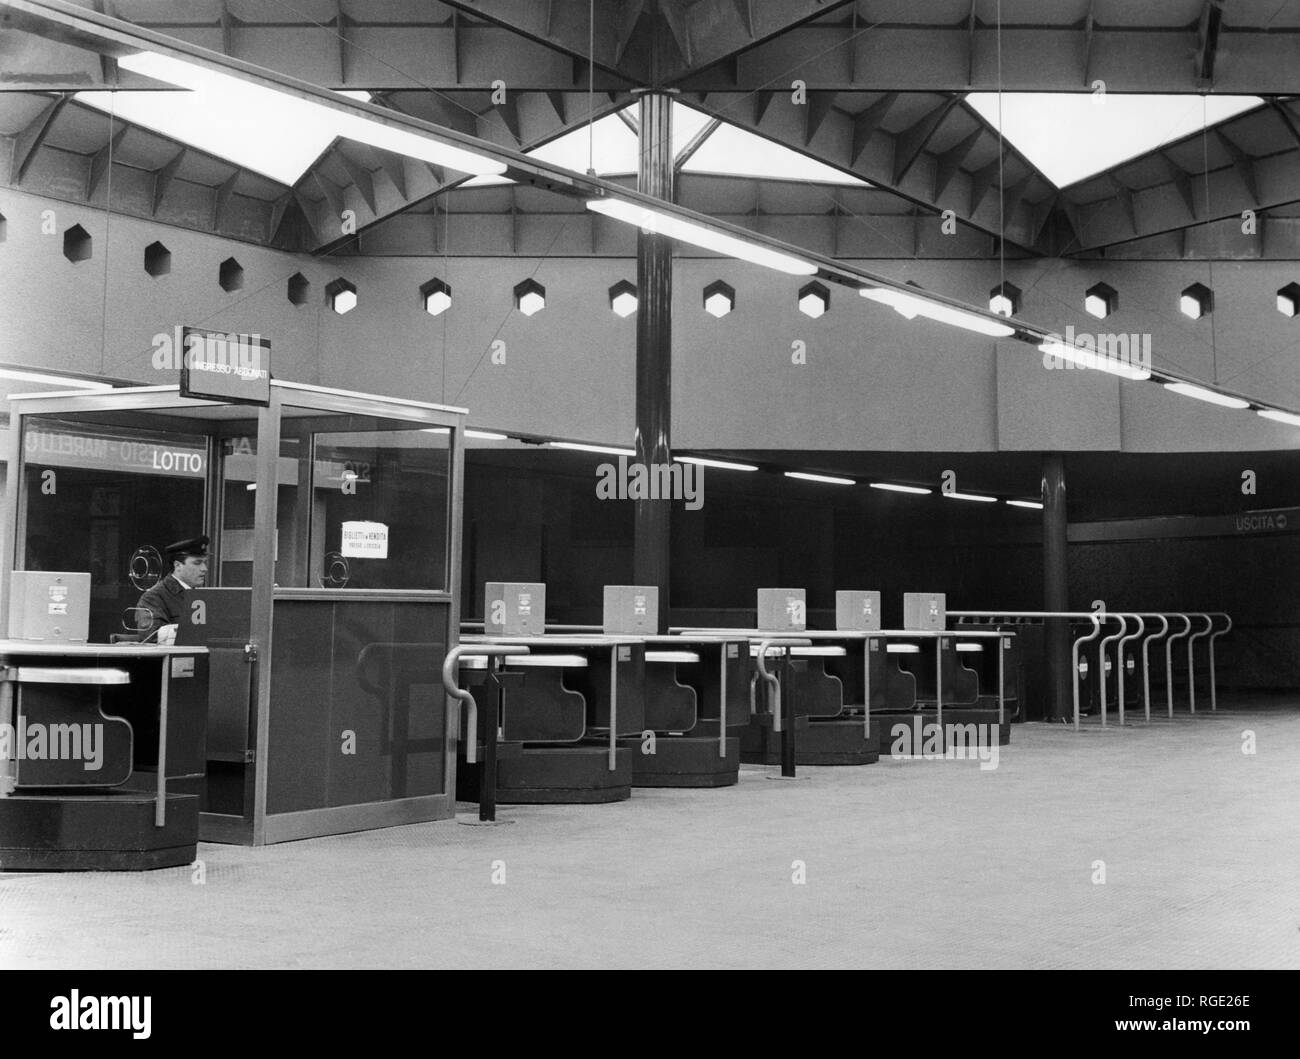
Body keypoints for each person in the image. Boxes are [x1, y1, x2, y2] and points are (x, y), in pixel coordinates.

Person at [135, 535, 208, 641]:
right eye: (197, 563)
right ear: (178, 566)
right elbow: (152, 638)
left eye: (205, 563)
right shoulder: (154, 598)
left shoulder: (203, 596)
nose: (204, 569)